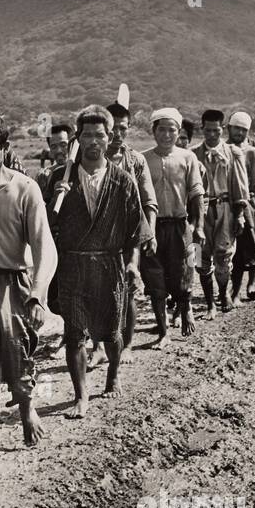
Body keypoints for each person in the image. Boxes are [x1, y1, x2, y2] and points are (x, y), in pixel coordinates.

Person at [0, 113, 57, 472]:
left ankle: (27, 408)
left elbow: (44, 244)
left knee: (16, 354)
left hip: (10, 283)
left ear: (4, 148)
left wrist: (37, 293)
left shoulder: (24, 188)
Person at [48, 106, 143, 418]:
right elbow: (46, 229)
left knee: (111, 333)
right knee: (75, 333)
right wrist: (54, 201)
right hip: (72, 266)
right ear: (78, 138)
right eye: (86, 134)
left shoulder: (124, 181)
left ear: (110, 137)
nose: (92, 141)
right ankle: (81, 394)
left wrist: (132, 265)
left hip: (109, 266)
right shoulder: (59, 180)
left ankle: (112, 375)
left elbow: (134, 233)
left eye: (99, 135)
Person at [140, 107, 205, 343]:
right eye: (162, 130)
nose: (167, 135)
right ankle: (163, 332)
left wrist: (199, 226)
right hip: (152, 227)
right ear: (153, 131)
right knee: (155, 278)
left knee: (185, 270)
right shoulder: (142, 159)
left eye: (172, 130)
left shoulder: (188, 158)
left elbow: (197, 193)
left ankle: (185, 308)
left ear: (178, 132)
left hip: (180, 225)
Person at [106, 101, 158, 350]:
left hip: (130, 236)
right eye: (112, 128)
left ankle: (126, 345)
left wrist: (151, 234)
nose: (117, 134)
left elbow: (148, 201)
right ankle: (98, 348)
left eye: (123, 128)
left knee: (130, 288)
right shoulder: (92, 159)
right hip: (100, 237)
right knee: (99, 292)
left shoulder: (136, 160)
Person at [193, 108, 251, 320]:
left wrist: (240, 215)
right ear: (202, 129)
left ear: (222, 129)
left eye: (216, 131)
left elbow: (240, 187)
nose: (212, 135)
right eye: (208, 131)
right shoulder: (192, 154)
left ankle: (223, 293)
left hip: (225, 209)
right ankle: (209, 304)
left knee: (224, 255)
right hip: (201, 210)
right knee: (199, 256)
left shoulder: (233, 153)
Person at [227, 110, 255, 303]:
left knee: (250, 246)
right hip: (227, 205)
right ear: (229, 128)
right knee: (230, 252)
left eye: (243, 130)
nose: (239, 133)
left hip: (248, 205)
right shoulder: (222, 149)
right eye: (237, 129)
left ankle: (246, 287)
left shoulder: (251, 152)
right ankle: (230, 292)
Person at [36, 121, 74, 208]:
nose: (59, 150)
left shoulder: (83, 171)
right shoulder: (44, 176)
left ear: (72, 144)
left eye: (63, 145)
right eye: (53, 147)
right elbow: (40, 208)